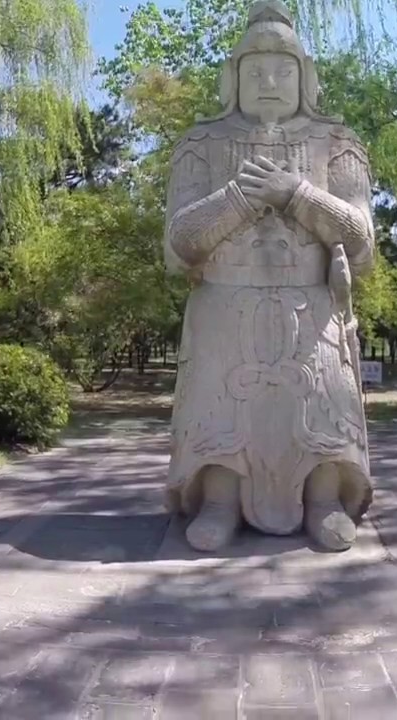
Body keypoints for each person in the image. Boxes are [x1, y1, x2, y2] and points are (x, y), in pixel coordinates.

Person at [163, 0, 376, 552]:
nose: (269, 80)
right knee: (222, 404)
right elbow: (179, 242)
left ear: (306, 76)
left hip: (312, 302)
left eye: (283, 68)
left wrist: (295, 194)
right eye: (254, 70)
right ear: (232, 77)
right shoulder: (200, 144)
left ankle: (323, 499)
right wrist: (237, 198)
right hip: (225, 302)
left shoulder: (336, 141)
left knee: (318, 401)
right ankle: (218, 502)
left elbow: (360, 240)